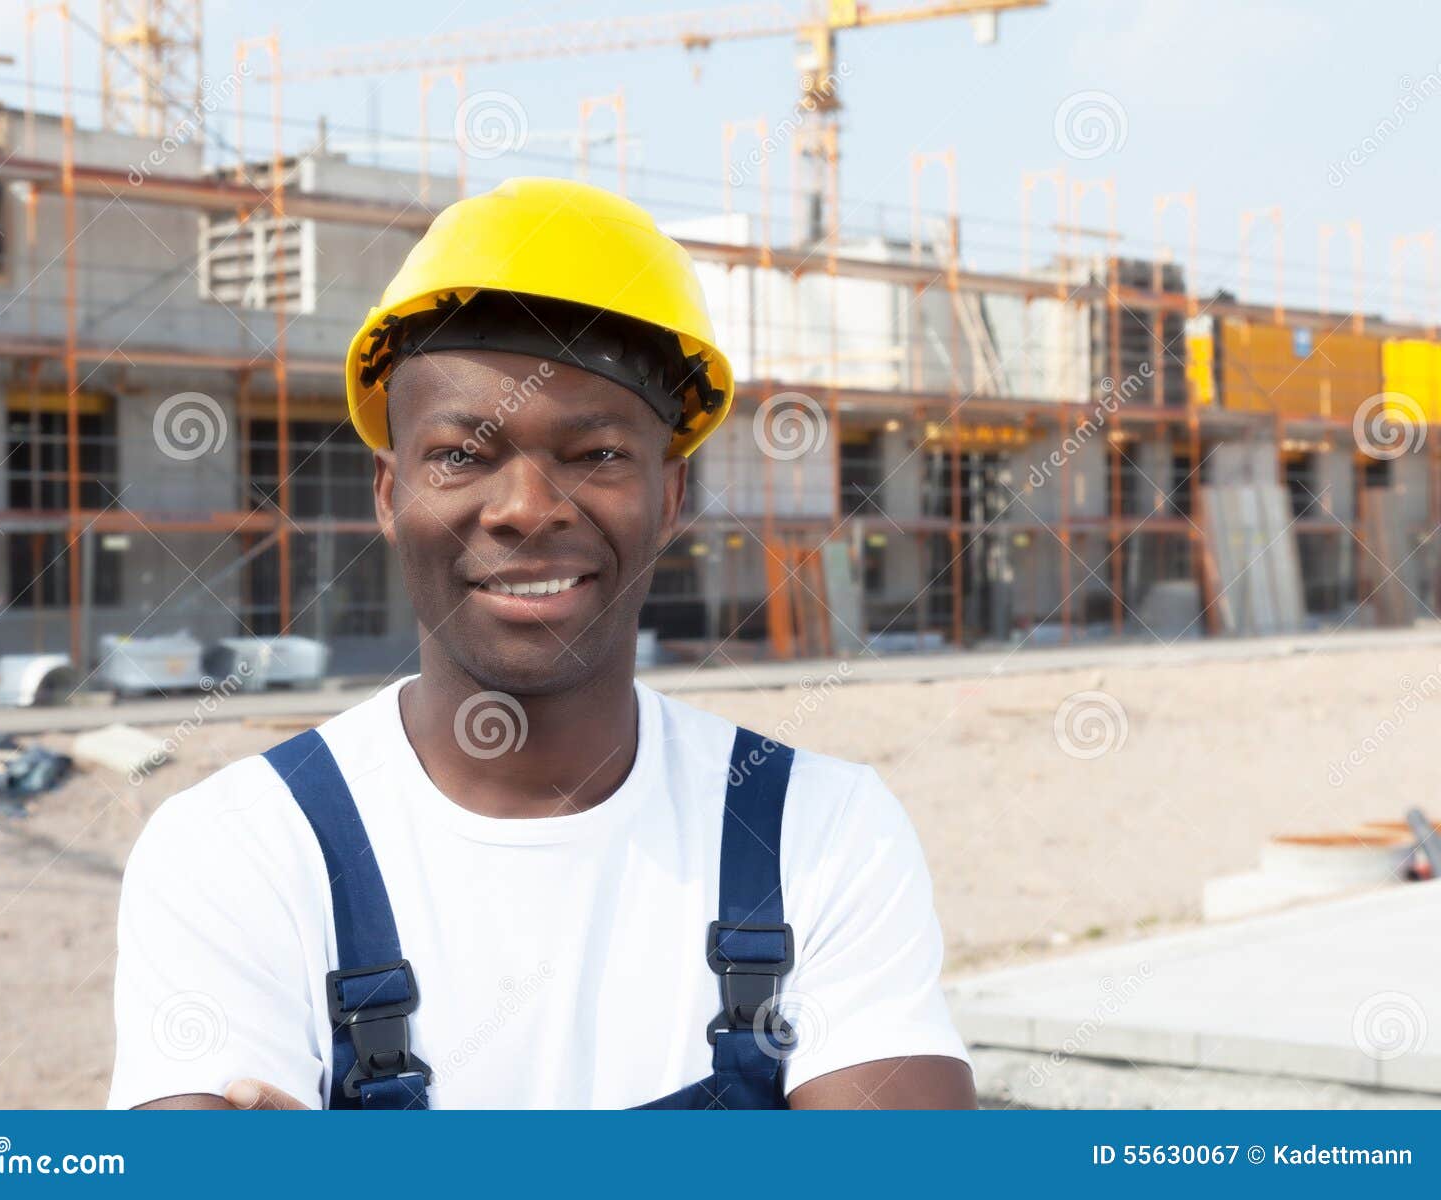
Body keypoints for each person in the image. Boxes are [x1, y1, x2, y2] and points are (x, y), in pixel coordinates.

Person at [107, 177, 974, 1111]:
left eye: (596, 454)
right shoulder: (240, 850)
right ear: (390, 494)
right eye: (462, 455)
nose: (526, 508)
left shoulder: (819, 831)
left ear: (671, 496)